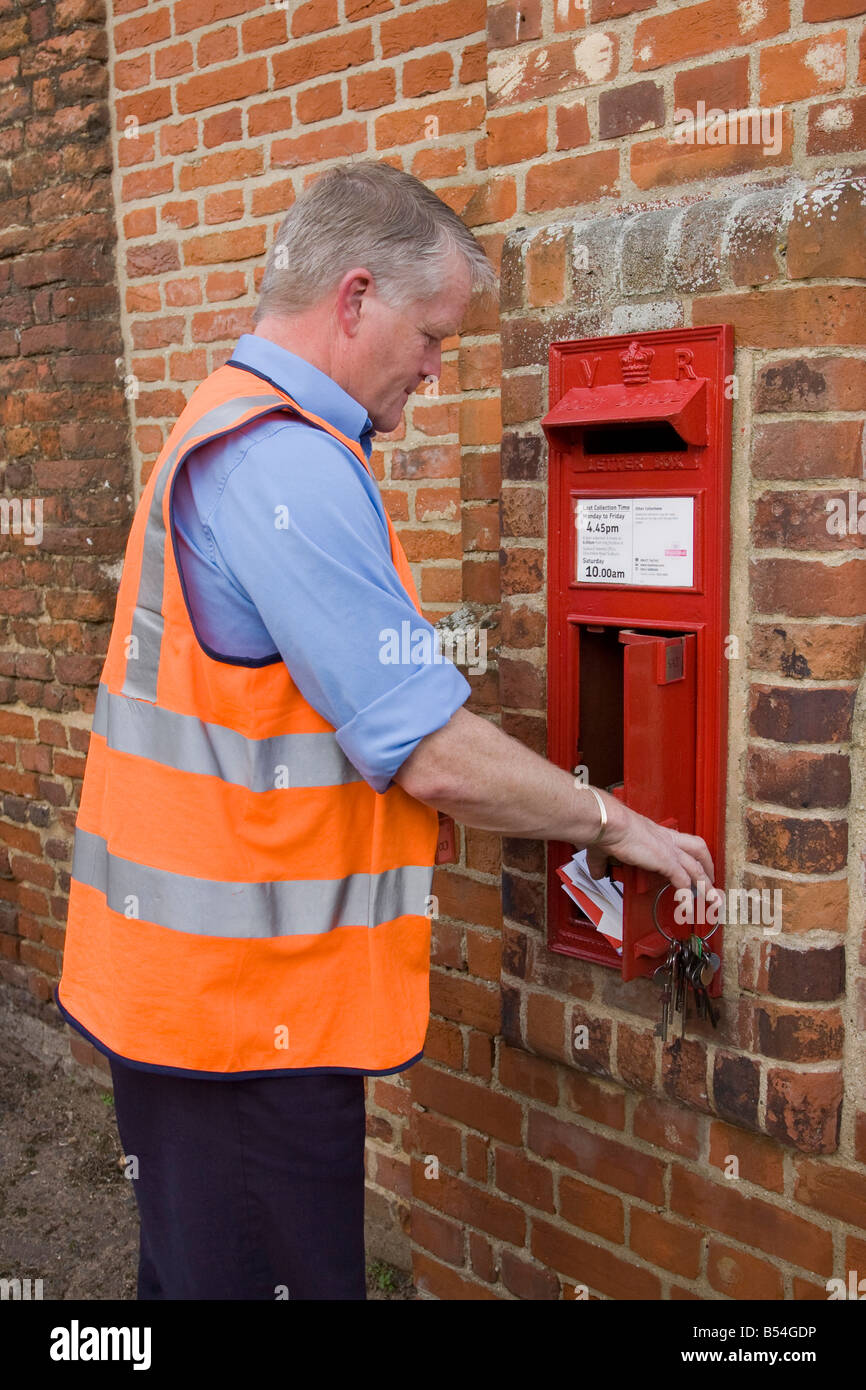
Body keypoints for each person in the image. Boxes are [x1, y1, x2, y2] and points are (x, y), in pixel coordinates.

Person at [56, 161, 715, 1301]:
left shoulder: (229, 425)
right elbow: (423, 745)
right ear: (354, 298)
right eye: (432, 332)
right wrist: (615, 823)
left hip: (196, 998)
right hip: (243, 1023)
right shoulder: (283, 464)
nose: (435, 364)